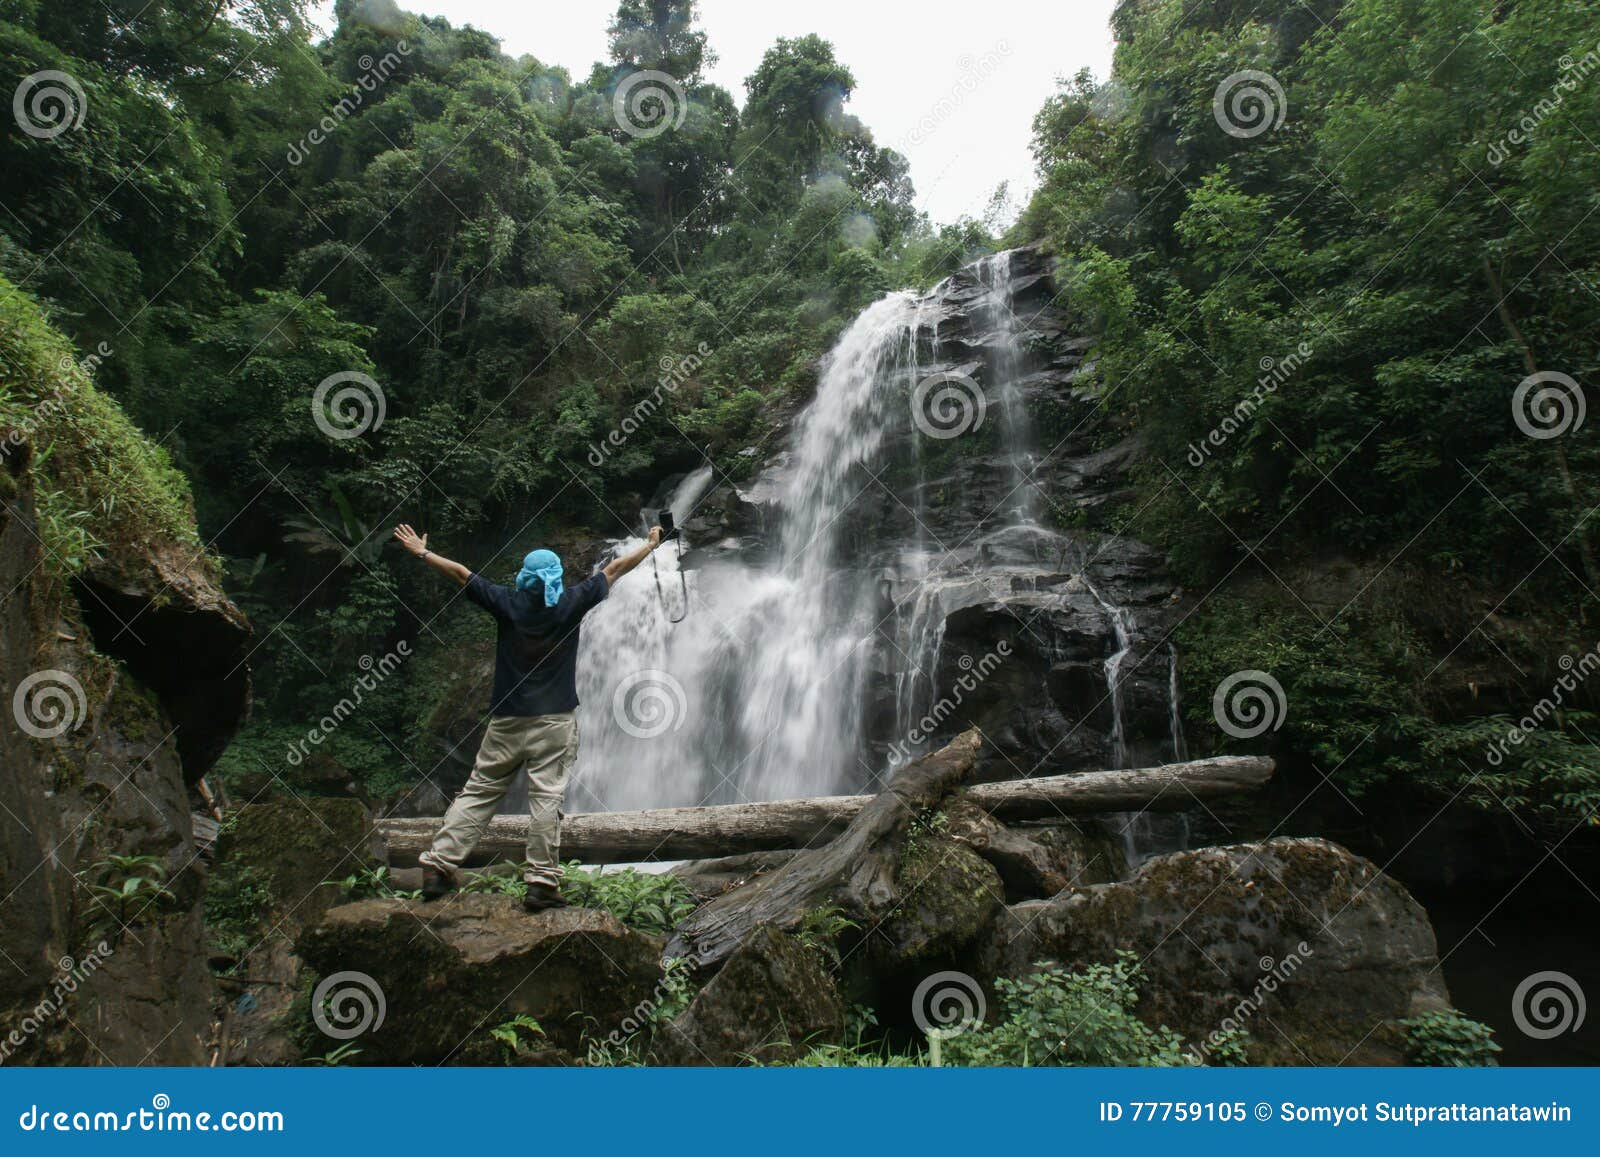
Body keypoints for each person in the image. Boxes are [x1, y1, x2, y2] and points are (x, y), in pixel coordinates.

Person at [392, 522, 664, 911]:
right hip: (553, 722)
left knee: (480, 792)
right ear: (554, 577)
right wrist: (651, 545)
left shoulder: (506, 603)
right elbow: (615, 569)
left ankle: (439, 866)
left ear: (525, 577)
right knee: (546, 799)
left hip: (507, 719)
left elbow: (461, 574)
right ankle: (540, 882)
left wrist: (422, 553)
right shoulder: (571, 602)